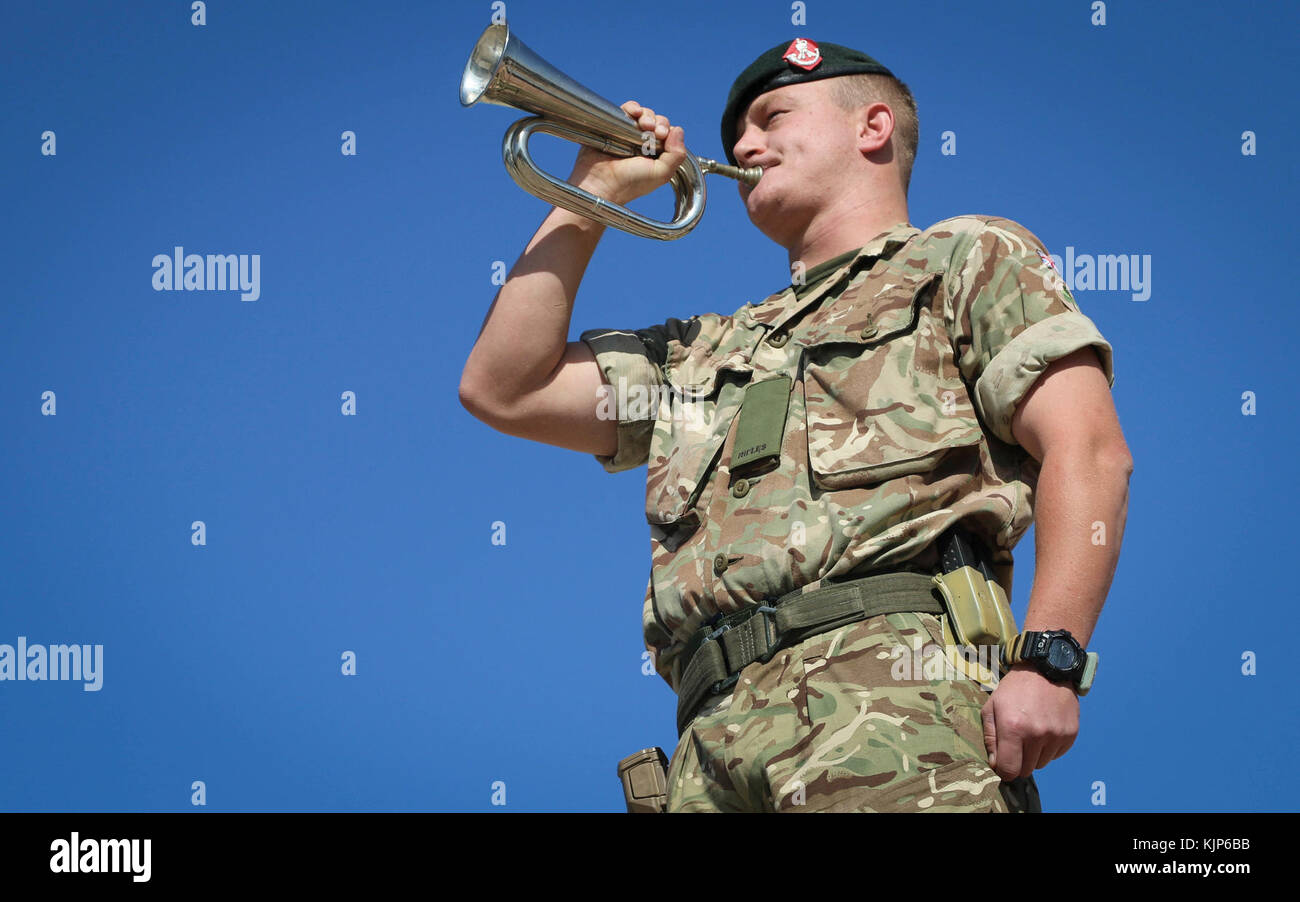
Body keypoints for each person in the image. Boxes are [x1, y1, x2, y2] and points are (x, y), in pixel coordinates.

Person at [458, 37, 1133, 812]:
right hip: (708, 748)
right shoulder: (699, 351)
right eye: (739, 134)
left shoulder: (964, 256)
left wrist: (1048, 661)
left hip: (894, 703)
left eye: (772, 117)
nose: (744, 145)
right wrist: (591, 193)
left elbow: (1090, 451)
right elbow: (505, 388)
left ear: (872, 127)